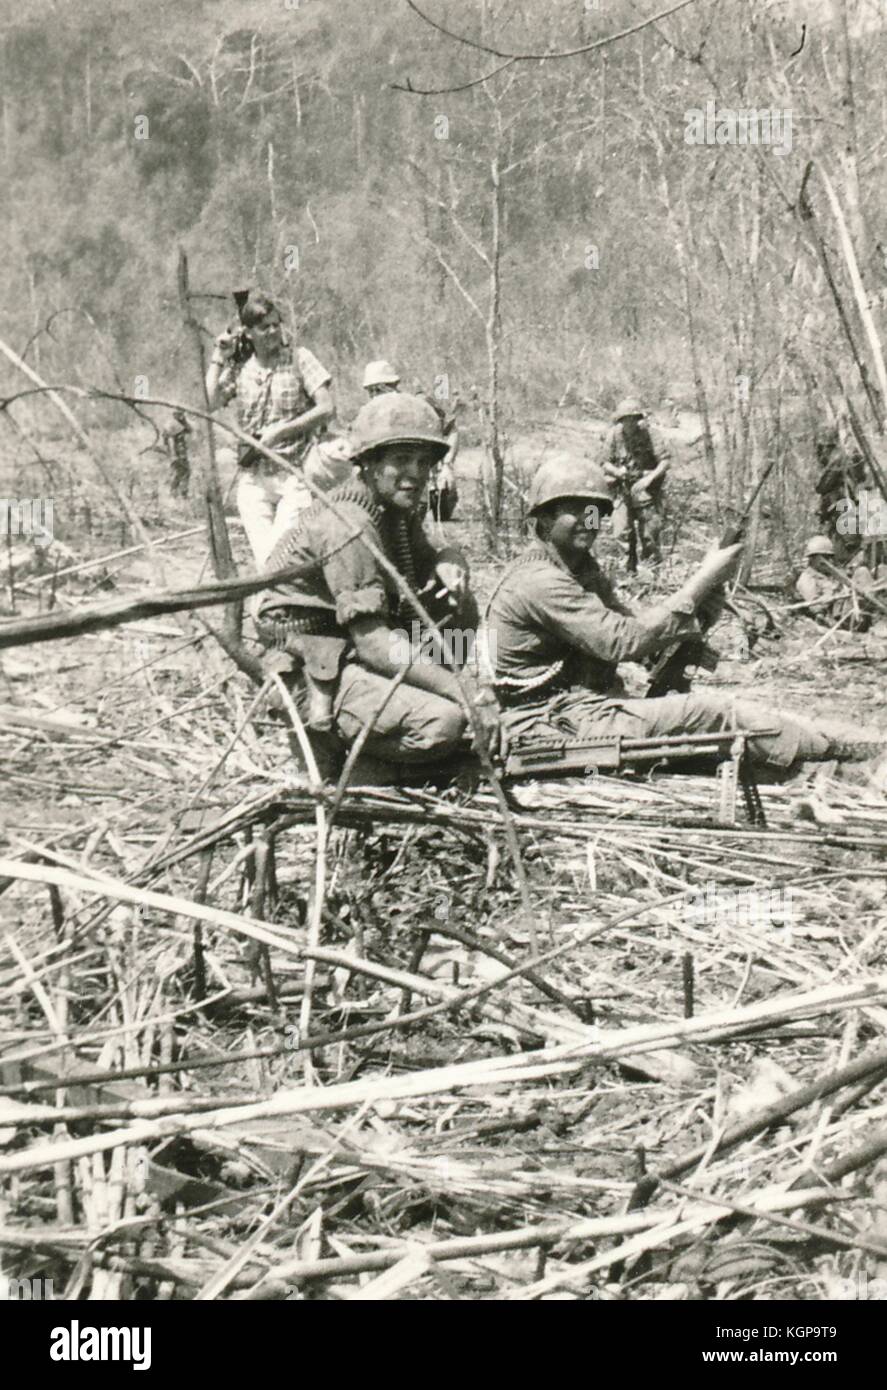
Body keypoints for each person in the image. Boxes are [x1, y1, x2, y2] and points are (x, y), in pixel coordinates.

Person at [485, 457, 883, 773]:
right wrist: (700, 578)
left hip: (586, 706)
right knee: (714, 713)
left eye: (596, 513)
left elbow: (645, 641)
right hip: (549, 723)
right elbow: (622, 640)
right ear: (543, 519)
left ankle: (843, 749)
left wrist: (701, 609)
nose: (589, 523)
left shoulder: (580, 568)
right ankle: (835, 750)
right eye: (575, 512)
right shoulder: (537, 580)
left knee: (727, 715)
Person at [255, 392, 495, 772]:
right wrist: (460, 687)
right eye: (400, 460)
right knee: (443, 723)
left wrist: (452, 559)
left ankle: (417, 704)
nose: (415, 473)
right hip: (317, 661)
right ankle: (351, 765)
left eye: (423, 462)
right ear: (368, 463)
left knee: (457, 605)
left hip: (359, 641)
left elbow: (432, 551)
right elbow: (374, 644)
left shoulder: (390, 508)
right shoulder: (350, 523)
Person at [206, 289, 352, 566]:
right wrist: (218, 356)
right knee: (266, 562)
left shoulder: (299, 358)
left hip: (294, 475)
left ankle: (268, 607)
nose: (273, 331)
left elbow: (326, 408)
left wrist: (281, 431)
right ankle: (269, 609)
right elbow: (209, 402)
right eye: (264, 327)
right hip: (253, 478)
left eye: (276, 324)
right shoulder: (240, 368)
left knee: (280, 557)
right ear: (248, 333)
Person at [361, 361, 459, 521]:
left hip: (429, 485)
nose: (375, 395)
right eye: (370, 391)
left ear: (392, 386)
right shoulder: (370, 415)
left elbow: (452, 430)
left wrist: (447, 466)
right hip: (396, 491)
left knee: (440, 515)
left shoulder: (418, 406)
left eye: (378, 389)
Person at [600, 397, 670, 568]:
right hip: (622, 487)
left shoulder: (651, 434)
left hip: (646, 488)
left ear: (639, 419)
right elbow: (604, 462)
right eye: (625, 420)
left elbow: (665, 462)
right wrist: (618, 472)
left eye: (633, 419)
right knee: (622, 531)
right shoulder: (614, 435)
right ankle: (627, 571)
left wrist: (648, 479)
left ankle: (651, 569)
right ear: (620, 420)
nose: (629, 424)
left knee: (650, 534)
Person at [794, 536, 858, 627]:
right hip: (837, 618)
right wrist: (834, 593)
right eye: (824, 557)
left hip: (850, 609)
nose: (828, 561)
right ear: (812, 558)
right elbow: (815, 605)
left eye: (829, 557)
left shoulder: (829, 575)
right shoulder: (807, 578)